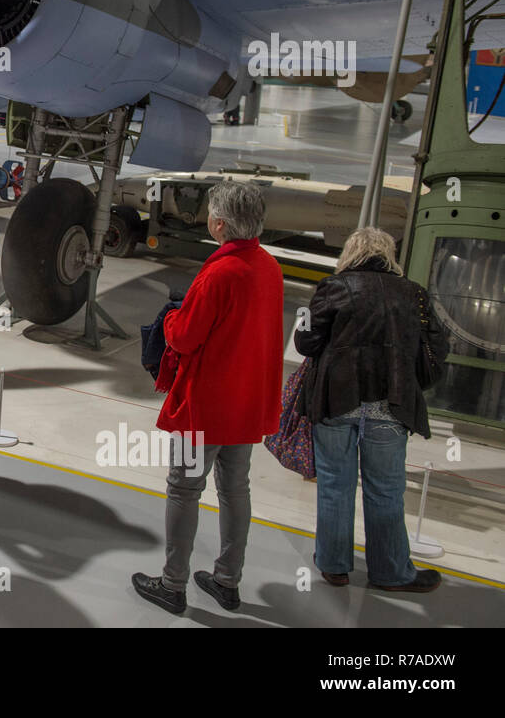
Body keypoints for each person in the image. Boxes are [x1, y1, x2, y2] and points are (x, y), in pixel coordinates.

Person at [131, 180, 283, 614]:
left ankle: (173, 584)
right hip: (246, 404)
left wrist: (174, 314)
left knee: (184, 489)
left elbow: (183, 337)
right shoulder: (269, 268)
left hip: (206, 409)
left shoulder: (218, 273)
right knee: (236, 490)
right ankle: (227, 580)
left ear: (218, 223)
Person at [296, 227, 448, 594]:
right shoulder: (414, 294)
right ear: (388, 255)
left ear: (350, 252)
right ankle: (391, 572)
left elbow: (305, 341)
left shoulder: (333, 287)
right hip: (391, 406)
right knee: (386, 491)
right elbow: (438, 345)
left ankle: (334, 566)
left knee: (334, 484)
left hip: (336, 402)